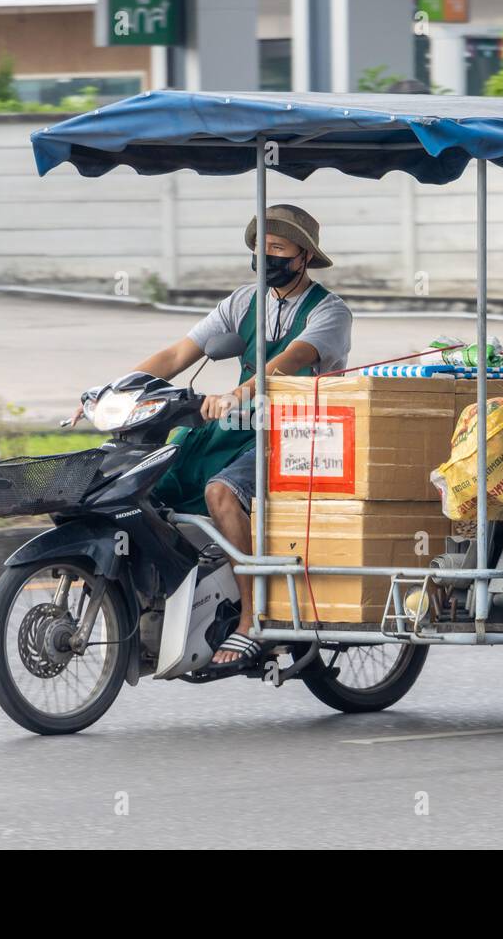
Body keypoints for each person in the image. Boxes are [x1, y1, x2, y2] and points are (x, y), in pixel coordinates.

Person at [136, 205, 351, 669]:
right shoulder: (242, 301)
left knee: (221, 492)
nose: (266, 257)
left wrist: (242, 391)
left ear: (304, 256)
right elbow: (178, 353)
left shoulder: (330, 312)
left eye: (278, 249)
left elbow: (290, 360)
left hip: (297, 431)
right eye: (261, 249)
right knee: (143, 484)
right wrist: (115, 390)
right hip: (235, 423)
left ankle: (252, 619)